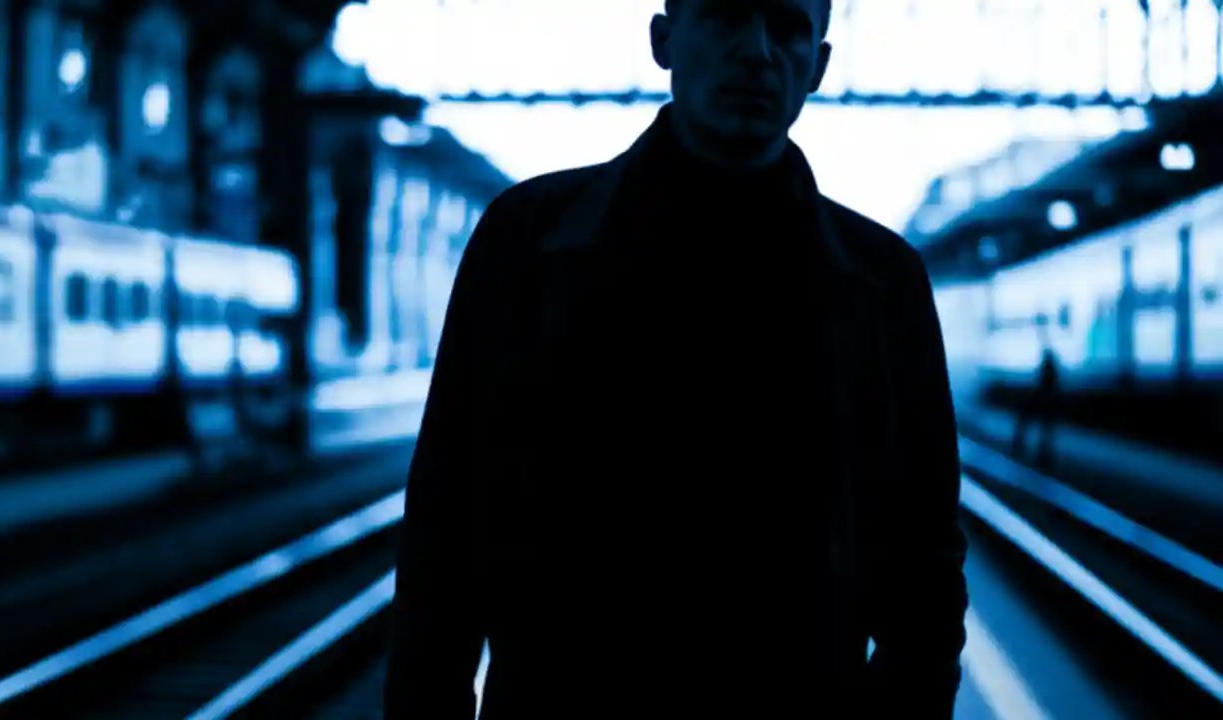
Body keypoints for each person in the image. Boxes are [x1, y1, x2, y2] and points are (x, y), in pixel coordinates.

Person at [383, 0, 969, 717]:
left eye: (787, 27)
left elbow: (923, 574)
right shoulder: (522, 246)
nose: (756, 50)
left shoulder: (887, 285)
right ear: (664, 41)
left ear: (817, 65)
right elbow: (446, 530)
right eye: (725, 16)